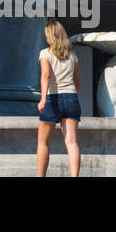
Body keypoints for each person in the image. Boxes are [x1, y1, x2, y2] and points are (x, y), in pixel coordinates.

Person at [36, 19, 81, 177]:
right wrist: (73, 96)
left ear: (49, 36)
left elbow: (46, 76)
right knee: (72, 142)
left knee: (43, 143)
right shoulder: (72, 55)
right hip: (71, 98)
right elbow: (77, 81)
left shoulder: (45, 53)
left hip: (52, 99)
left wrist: (42, 99)